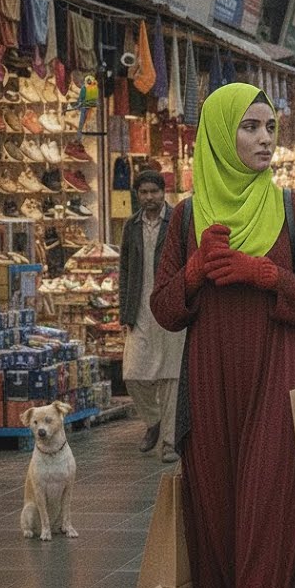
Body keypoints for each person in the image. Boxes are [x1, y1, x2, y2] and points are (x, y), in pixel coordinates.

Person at [150, 83, 295, 588]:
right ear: (218, 136)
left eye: (269, 129)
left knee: (267, 523)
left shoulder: (292, 211)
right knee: (220, 529)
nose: (263, 140)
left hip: (278, 388)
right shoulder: (183, 217)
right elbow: (166, 311)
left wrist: (267, 274)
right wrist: (196, 271)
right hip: (207, 394)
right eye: (249, 128)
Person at [119, 169, 182, 463]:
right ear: (137, 195)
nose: (149, 198)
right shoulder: (131, 226)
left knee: (170, 376)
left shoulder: (179, 221)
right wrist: (124, 311)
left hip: (170, 308)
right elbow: (125, 270)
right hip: (139, 309)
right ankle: (154, 421)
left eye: (153, 192)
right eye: (143, 193)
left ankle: (170, 442)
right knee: (132, 373)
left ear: (163, 192)